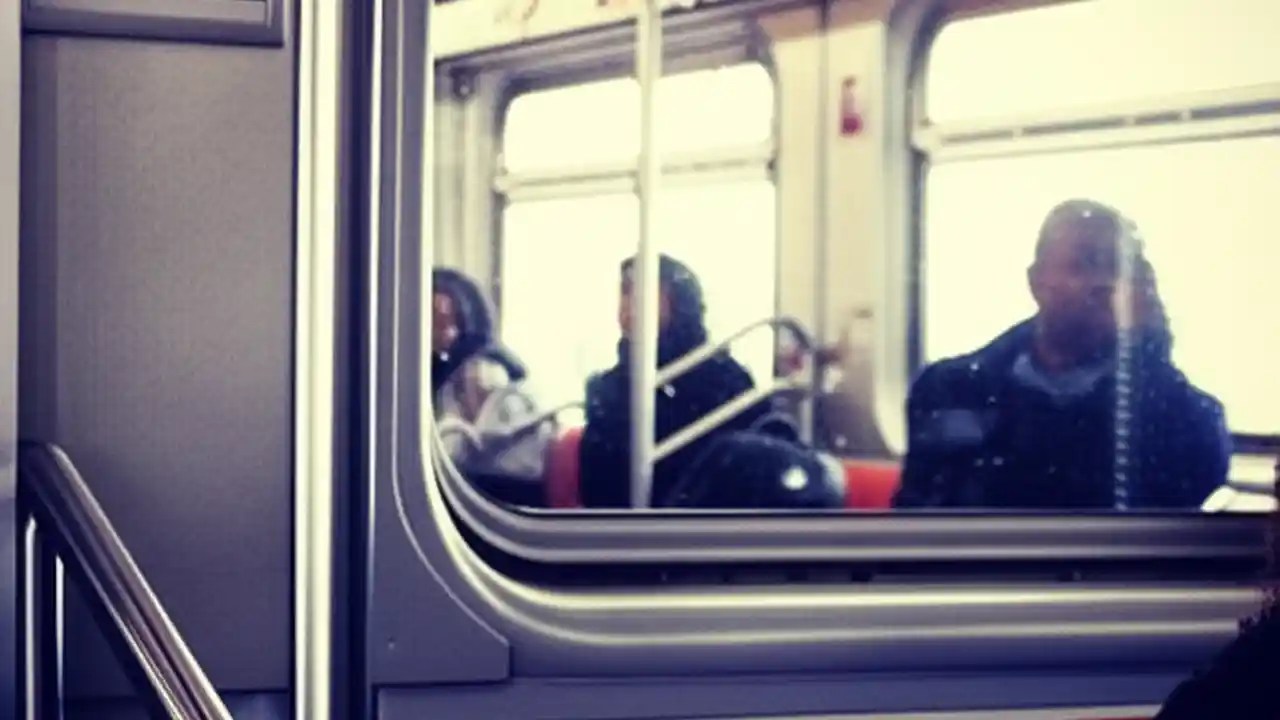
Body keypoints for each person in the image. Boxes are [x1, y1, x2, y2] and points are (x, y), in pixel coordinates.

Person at [895, 199, 1230, 510]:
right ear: (1037, 281)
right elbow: (915, 520)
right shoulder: (949, 389)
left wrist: (1152, 342)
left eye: (1124, 269)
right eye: (1085, 263)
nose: (1105, 282)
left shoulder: (1189, 418)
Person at [579, 254, 770, 508]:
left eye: (642, 293)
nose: (628, 305)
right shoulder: (609, 388)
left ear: (679, 302)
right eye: (624, 292)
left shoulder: (726, 379)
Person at [432, 268, 550, 503]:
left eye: (443, 322)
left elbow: (463, 451)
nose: (437, 335)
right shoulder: (442, 381)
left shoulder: (486, 375)